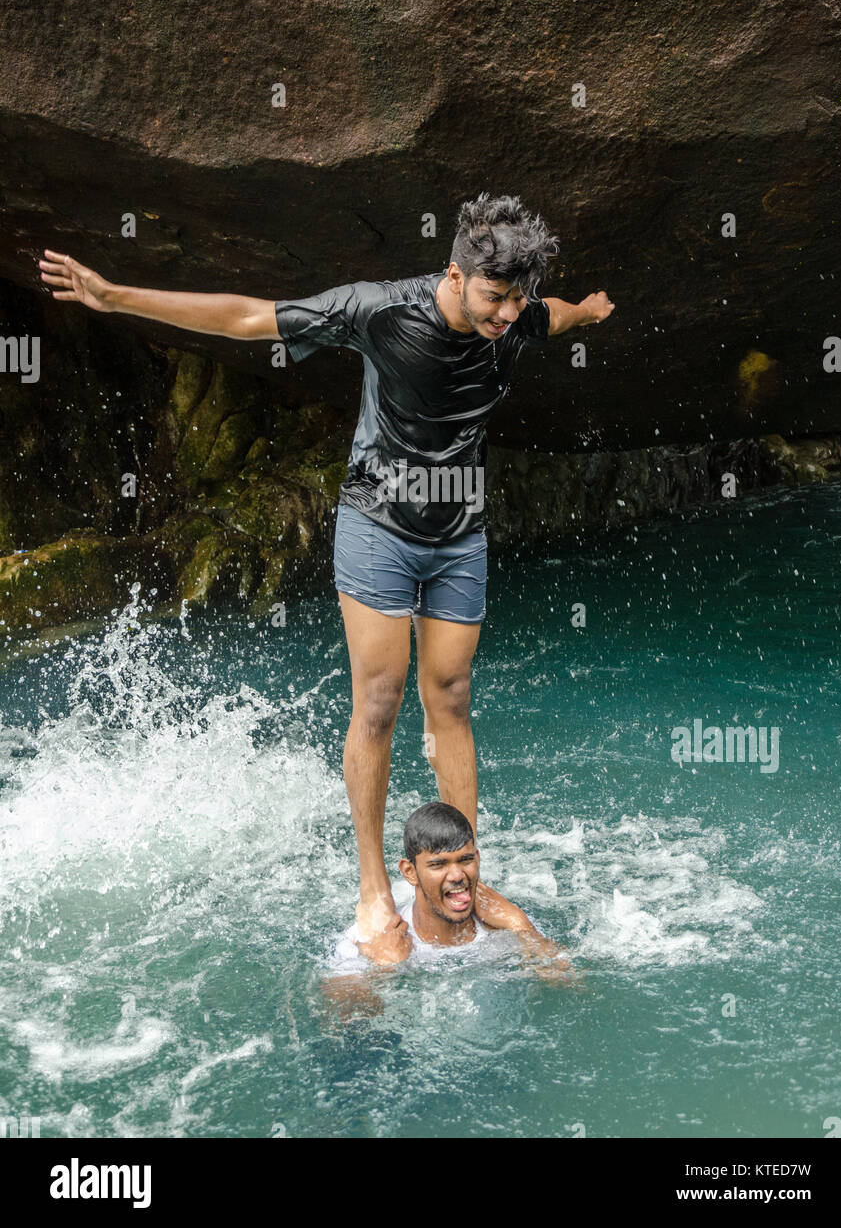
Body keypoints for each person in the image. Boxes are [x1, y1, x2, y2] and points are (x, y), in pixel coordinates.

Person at [39, 193, 614, 961]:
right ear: (455, 272)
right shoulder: (378, 311)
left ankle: (462, 884)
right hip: (378, 528)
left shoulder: (519, 317)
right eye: (494, 296)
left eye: (517, 299)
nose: (507, 314)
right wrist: (115, 297)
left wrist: (591, 309)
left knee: (448, 694)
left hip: (458, 536)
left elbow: (560, 314)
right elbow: (248, 316)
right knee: (378, 701)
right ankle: (377, 889)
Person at [326, 801, 568, 984]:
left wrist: (522, 925)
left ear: (477, 858)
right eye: (438, 864)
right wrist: (383, 968)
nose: (457, 876)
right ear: (410, 872)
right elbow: (341, 1019)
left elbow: (569, 984)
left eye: (465, 860)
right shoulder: (373, 938)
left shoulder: (503, 923)